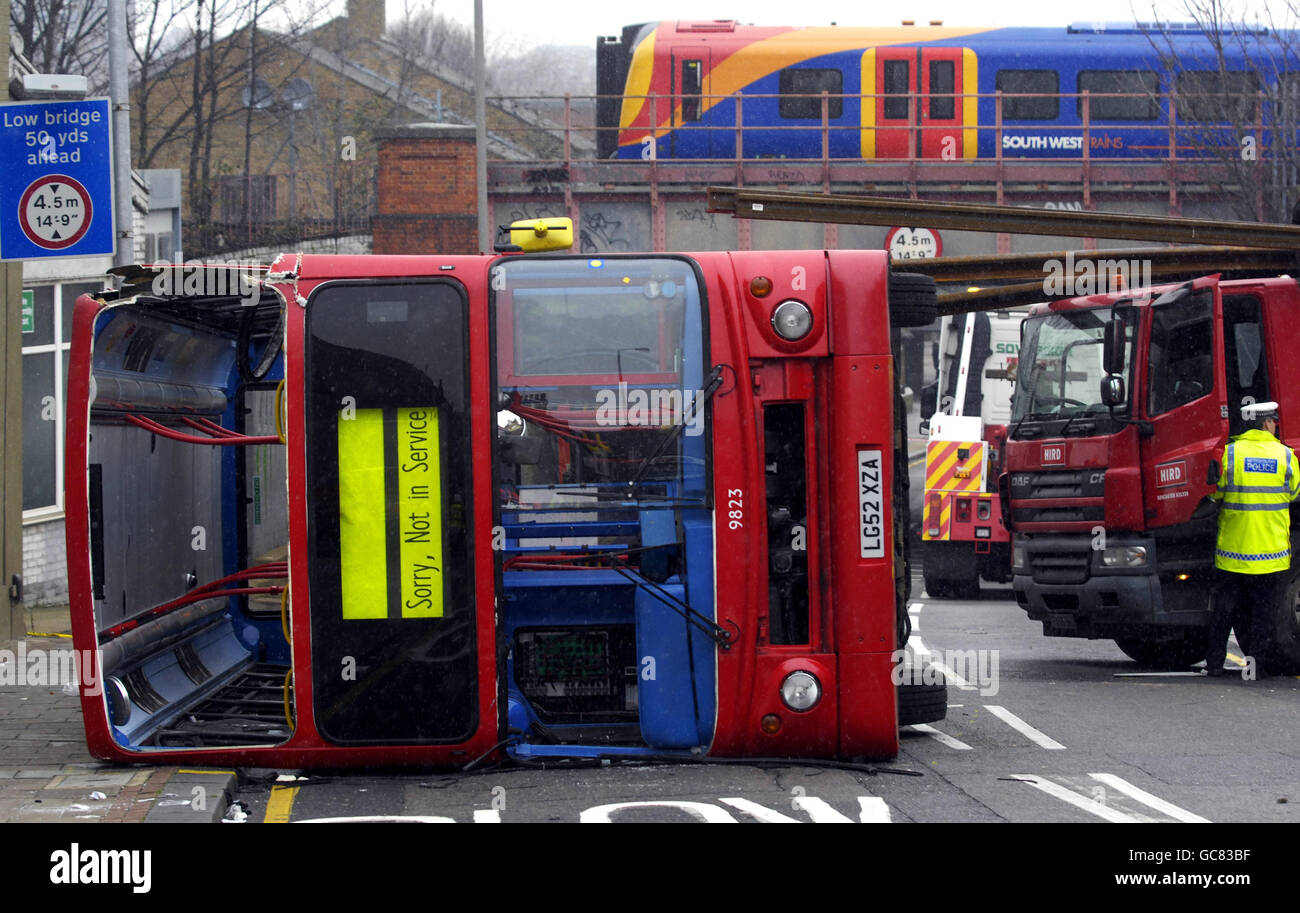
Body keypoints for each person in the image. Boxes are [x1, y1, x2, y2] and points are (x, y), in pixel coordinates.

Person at [1205, 401, 1300, 677]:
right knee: (1262, 614)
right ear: (1267, 423)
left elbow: (1217, 493)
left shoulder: (1230, 455)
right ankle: (1254, 668)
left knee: (1224, 611)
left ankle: (1213, 665)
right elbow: (1294, 493)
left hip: (1234, 553)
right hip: (1271, 555)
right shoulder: (1285, 456)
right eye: (1273, 421)